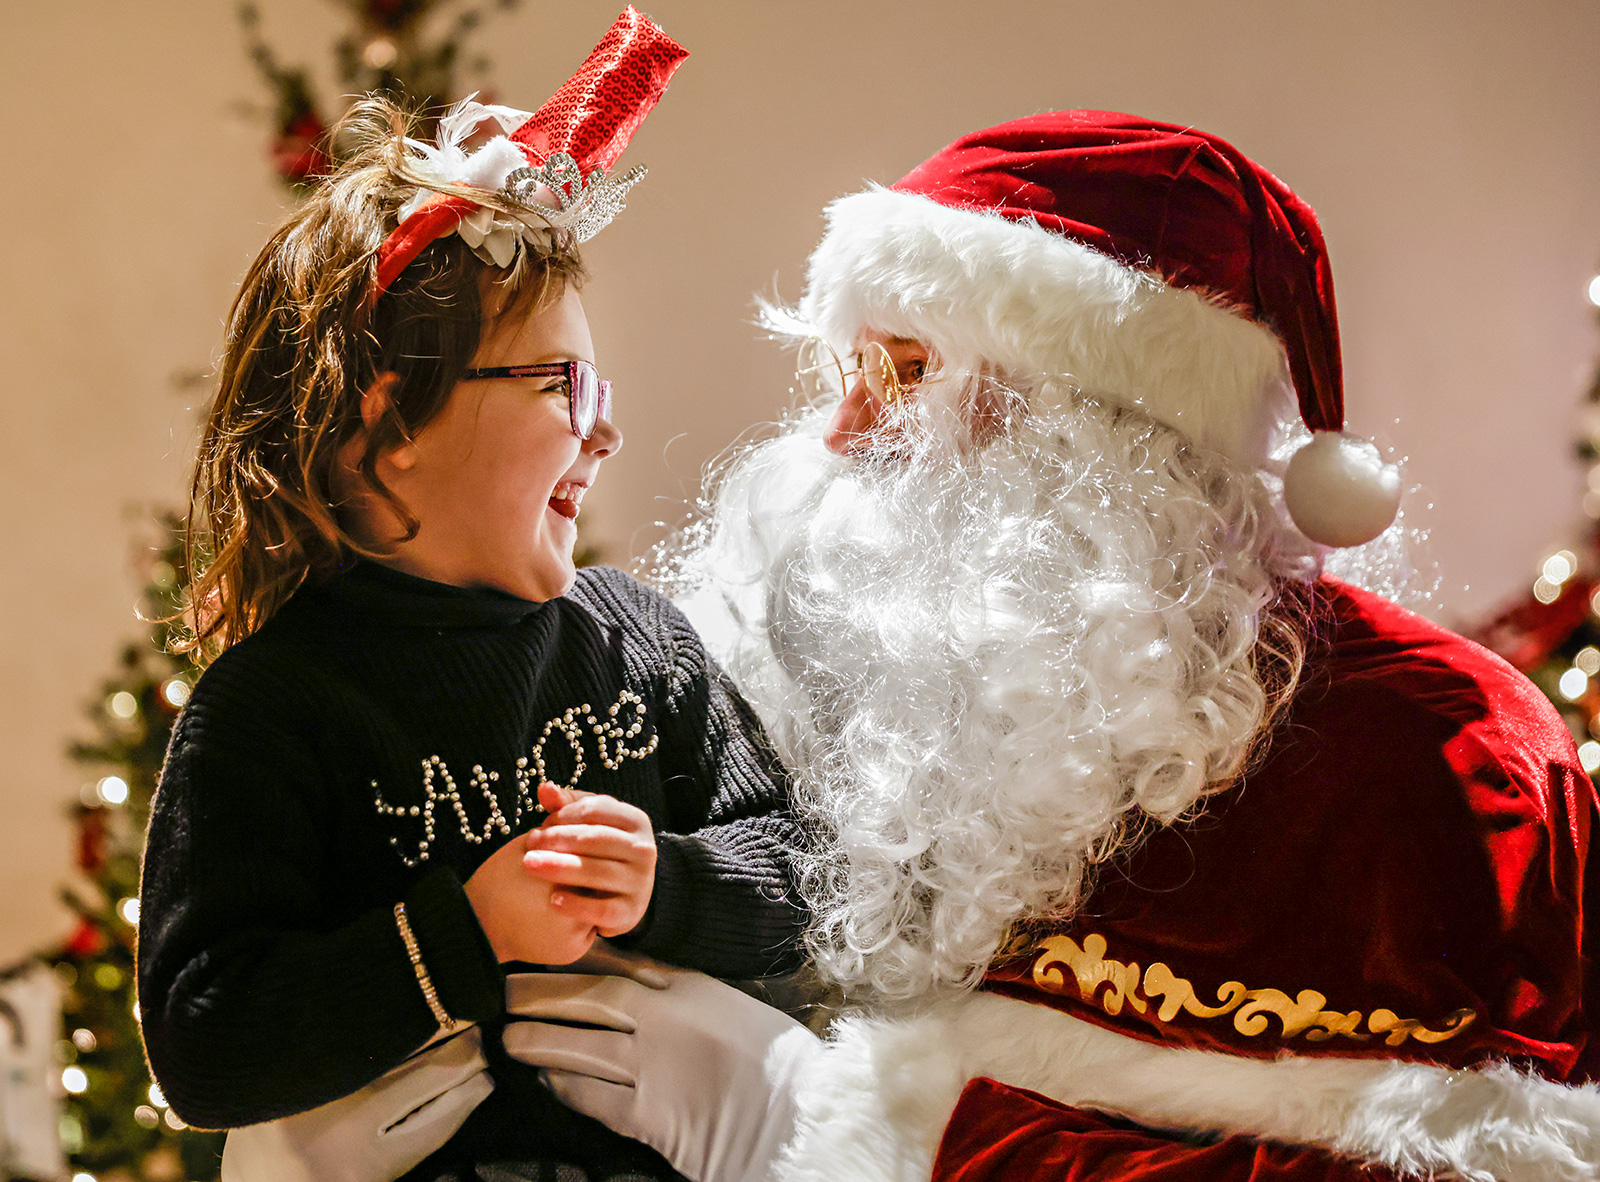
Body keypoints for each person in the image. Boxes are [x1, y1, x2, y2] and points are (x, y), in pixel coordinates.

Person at [494, 112, 1600, 1181]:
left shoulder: (1439, 767)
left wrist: (837, 1129)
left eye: (909, 375)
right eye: (848, 373)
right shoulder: (814, 680)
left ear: (1103, 436)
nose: (839, 437)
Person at [135, 11, 804, 1182]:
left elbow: (801, 877)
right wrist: (461, 936)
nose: (608, 427)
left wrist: (666, 881)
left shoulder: (637, 640)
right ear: (390, 426)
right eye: (564, 381)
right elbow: (204, 1040)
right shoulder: (271, 709)